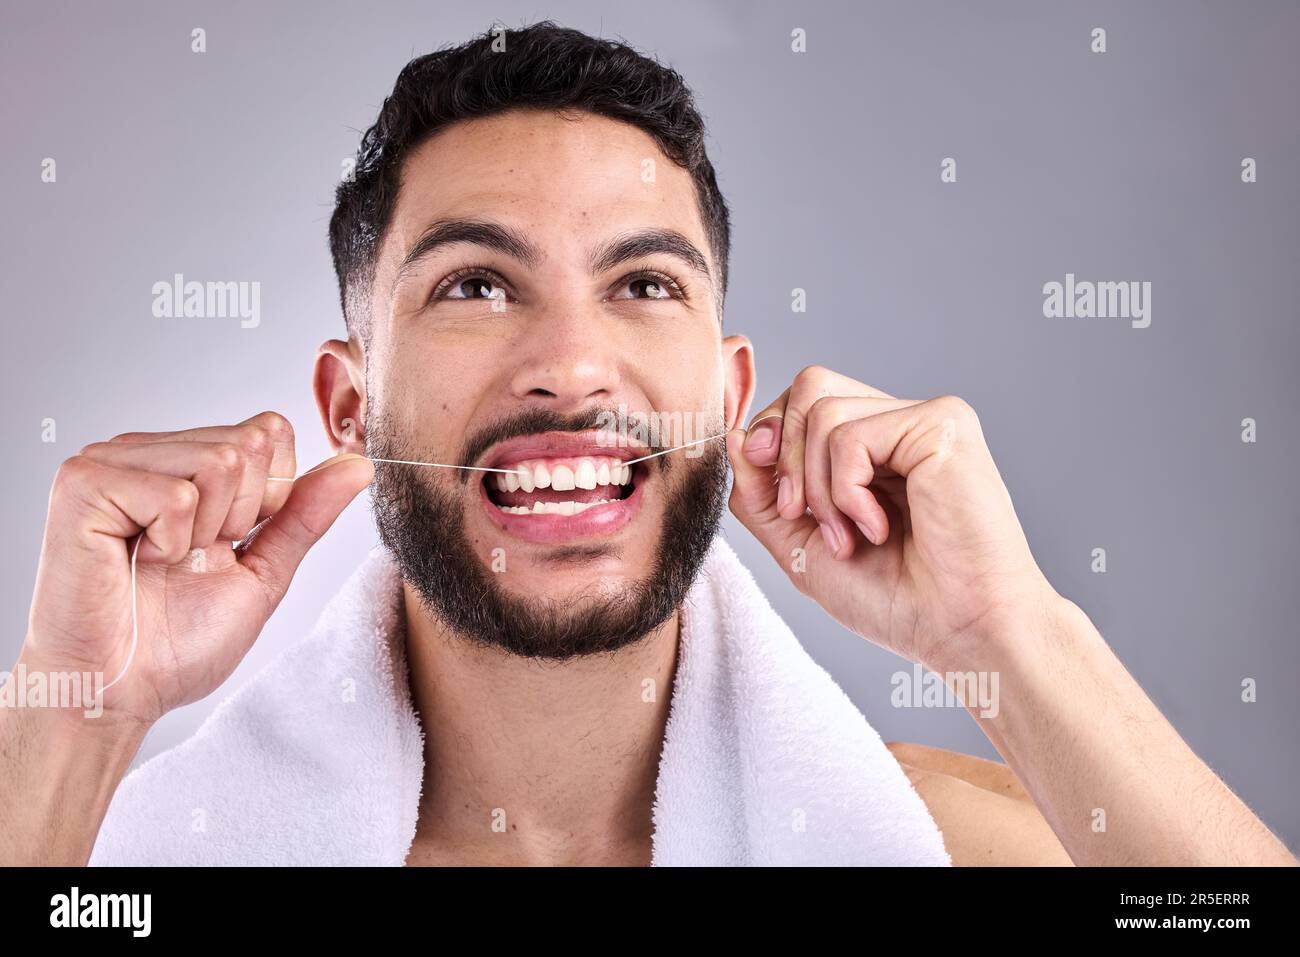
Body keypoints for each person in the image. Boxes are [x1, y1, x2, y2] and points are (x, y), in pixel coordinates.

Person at [2, 22, 1294, 867]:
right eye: (475, 285)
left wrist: (1011, 634)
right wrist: (75, 723)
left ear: (728, 399)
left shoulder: (943, 844)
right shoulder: (130, 861)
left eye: (644, 285)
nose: (570, 364)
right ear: (351, 409)